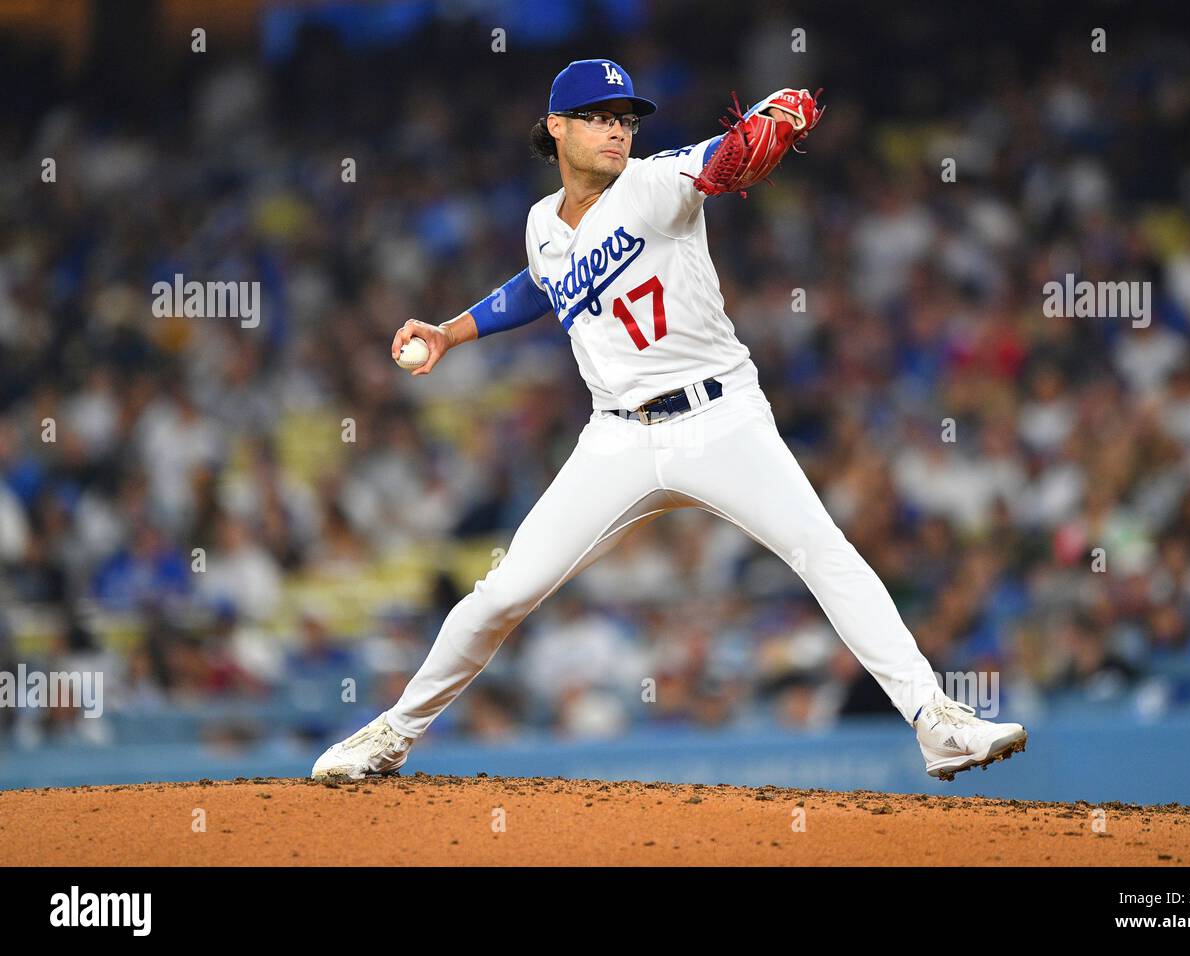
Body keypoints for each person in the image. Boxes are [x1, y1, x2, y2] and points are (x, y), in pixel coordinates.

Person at [312, 58, 1027, 782]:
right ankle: (391, 736)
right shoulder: (541, 224)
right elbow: (538, 284)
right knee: (503, 592)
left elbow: (723, 163)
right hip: (617, 436)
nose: (617, 131)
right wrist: (450, 331)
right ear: (556, 127)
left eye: (625, 119)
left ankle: (936, 721)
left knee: (822, 550)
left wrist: (765, 130)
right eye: (598, 117)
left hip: (719, 417)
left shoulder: (653, 185)